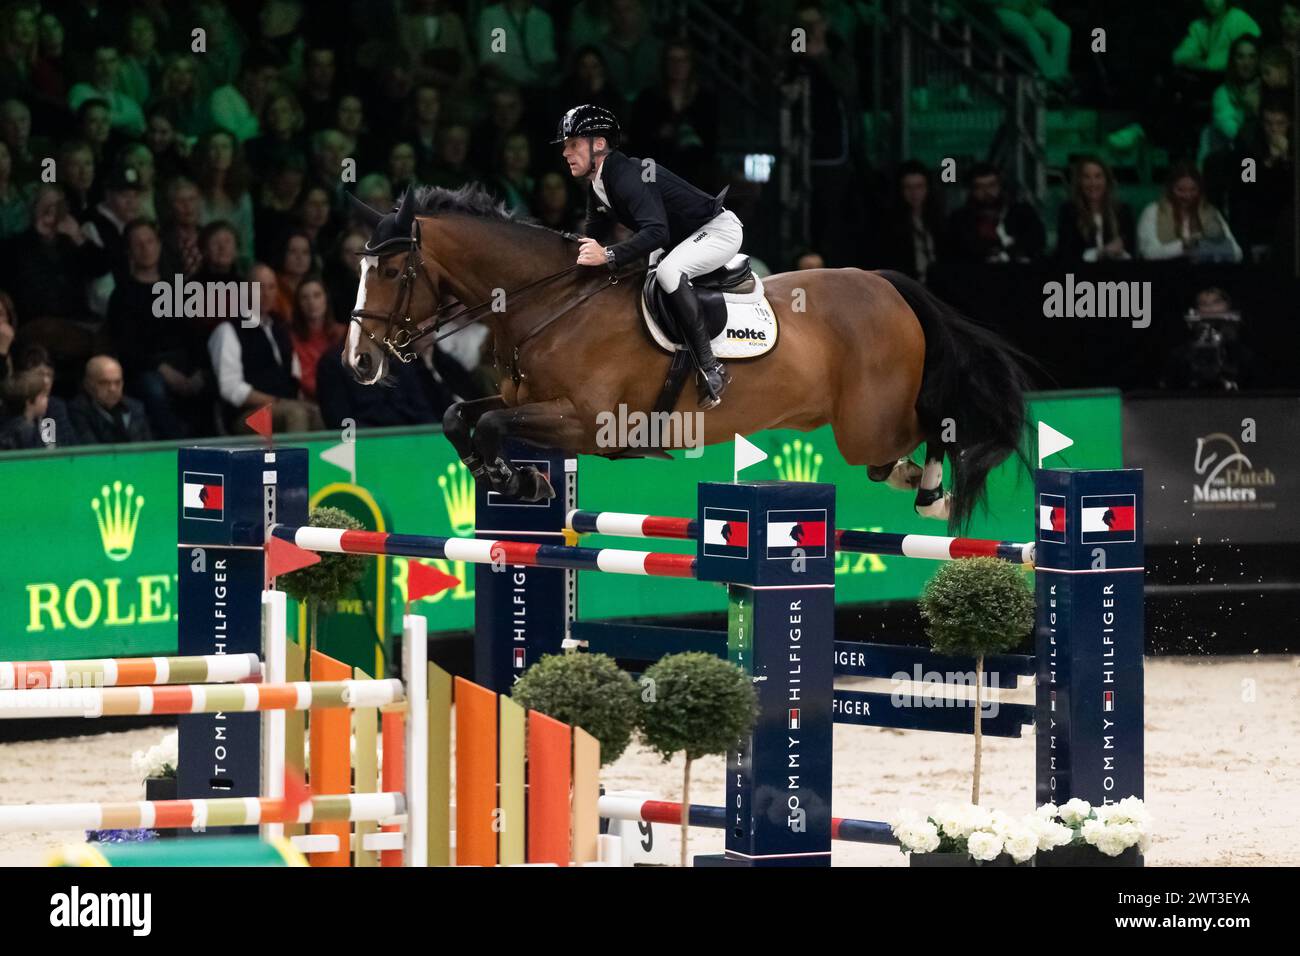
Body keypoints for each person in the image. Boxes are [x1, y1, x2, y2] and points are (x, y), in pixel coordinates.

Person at [556, 104, 739, 407]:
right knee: (644, 284)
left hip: (717, 230)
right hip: (680, 240)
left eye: (573, 144)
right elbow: (592, 240)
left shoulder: (628, 174)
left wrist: (609, 255)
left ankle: (711, 368)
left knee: (668, 273)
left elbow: (656, 233)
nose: (566, 153)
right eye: (565, 147)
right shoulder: (597, 186)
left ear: (598, 144)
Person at [106, 219, 209, 439]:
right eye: (138, 244)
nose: (146, 248)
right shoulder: (122, 295)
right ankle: (175, 448)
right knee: (153, 388)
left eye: (150, 241)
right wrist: (164, 370)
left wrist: (200, 369)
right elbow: (127, 348)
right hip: (148, 368)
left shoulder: (179, 289)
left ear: (159, 245)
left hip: (184, 361)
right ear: (130, 251)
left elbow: (197, 335)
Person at [208, 261, 323, 434]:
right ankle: (292, 462)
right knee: (296, 414)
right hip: (245, 416)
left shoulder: (280, 328)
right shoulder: (228, 330)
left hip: (285, 404)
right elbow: (230, 388)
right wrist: (276, 401)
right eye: (259, 287)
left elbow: (294, 375)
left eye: (271, 287)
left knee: (319, 413)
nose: (266, 294)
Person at [1137, 162, 1241, 262]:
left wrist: (1207, 248)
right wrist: (1184, 246)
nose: (1187, 196)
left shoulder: (1210, 211)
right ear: (1170, 189)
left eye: (1193, 190)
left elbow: (1237, 253)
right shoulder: (1152, 211)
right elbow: (1149, 253)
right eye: (1180, 190)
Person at [944, 162, 1045, 263]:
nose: (987, 192)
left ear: (1000, 185)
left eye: (992, 185)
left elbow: (1036, 242)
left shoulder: (1022, 213)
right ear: (971, 190)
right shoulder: (960, 220)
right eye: (980, 187)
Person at [1055, 155, 1135, 262]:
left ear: (1107, 181)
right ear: (1080, 182)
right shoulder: (1068, 211)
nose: (1093, 183)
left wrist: (1118, 253)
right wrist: (1100, 253)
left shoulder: (1123, 211)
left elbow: (1131, 253)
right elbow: (1066, 254)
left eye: (1098, 176)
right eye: (1087, 177)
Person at [880, 159, 944, 281]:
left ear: (927, 188)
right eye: (908, 187)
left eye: (919, 186)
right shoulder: (890, 226)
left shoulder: (938, 221)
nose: (914, 193)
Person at [68, 354, 153, 445]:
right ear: (88, 385)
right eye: (104, 383)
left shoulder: (136, 408)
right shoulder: (78, 410)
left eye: (118, 382)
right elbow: (90, 450)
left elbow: (149, 448)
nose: (113, 389)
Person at [287, 275, 344, 402]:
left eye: (317, 295)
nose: (311, 302)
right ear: (298, 304)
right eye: (304, 298)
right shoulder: (290, 338)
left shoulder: (344, 333)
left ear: (326, 299)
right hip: (311, 401)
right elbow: (301, 379)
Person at [1172, 0, 1260, 73]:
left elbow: (1251, 53)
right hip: (1209, 79)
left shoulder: (1239, 19)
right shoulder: (1199, 25)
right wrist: (1186, 60)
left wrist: (1206, 65)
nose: (1212, 1)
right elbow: (1184, 53)